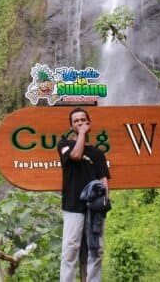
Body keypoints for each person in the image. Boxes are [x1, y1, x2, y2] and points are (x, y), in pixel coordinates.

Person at [57, 107, 110, 282]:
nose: (80, 123)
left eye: (83, 120)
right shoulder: (64, 145)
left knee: (96, 250)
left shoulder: (98, 153)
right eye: (76, 121)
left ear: (89, 123)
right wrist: (81, 134)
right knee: (70, 249)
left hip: (95, 209)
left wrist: (104, 204)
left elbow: (103, 179)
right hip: (73, 207)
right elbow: (77, 155)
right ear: (72, 126)